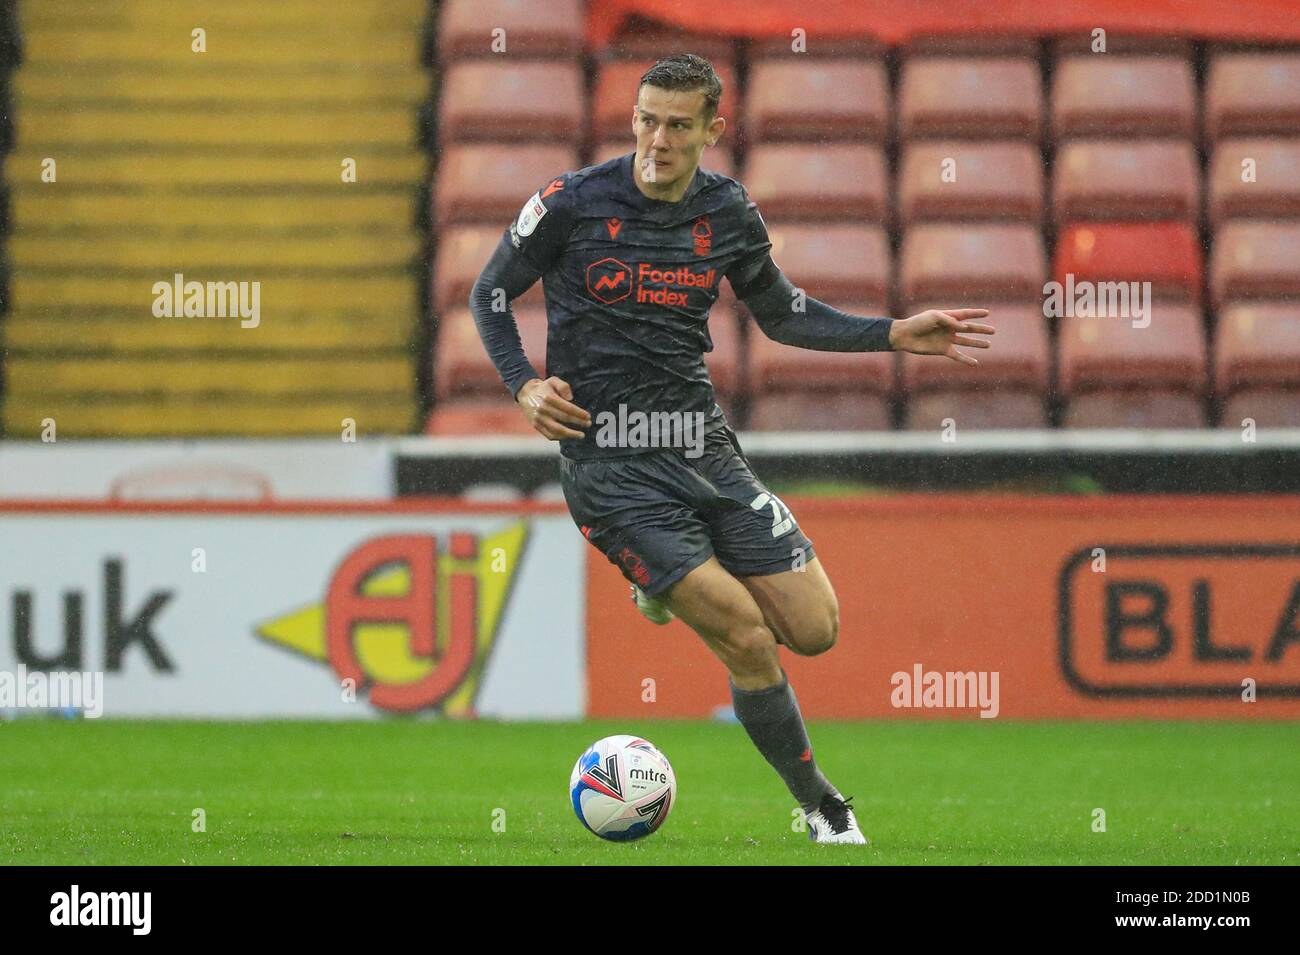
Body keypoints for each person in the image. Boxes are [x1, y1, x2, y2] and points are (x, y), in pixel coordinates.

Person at [469, 53, 994, 843]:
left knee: (815, 628)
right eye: (646, 119)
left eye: (679, 125)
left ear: (714, 130)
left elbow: (782, 314)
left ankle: (657, 586)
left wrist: (890, 333)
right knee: (747, 634)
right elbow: (489, 292)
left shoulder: (728, 213)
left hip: (703, 446)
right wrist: (523, 386)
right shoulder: (571, 202)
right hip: (610, 464)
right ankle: (822, 804)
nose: (657, 140)